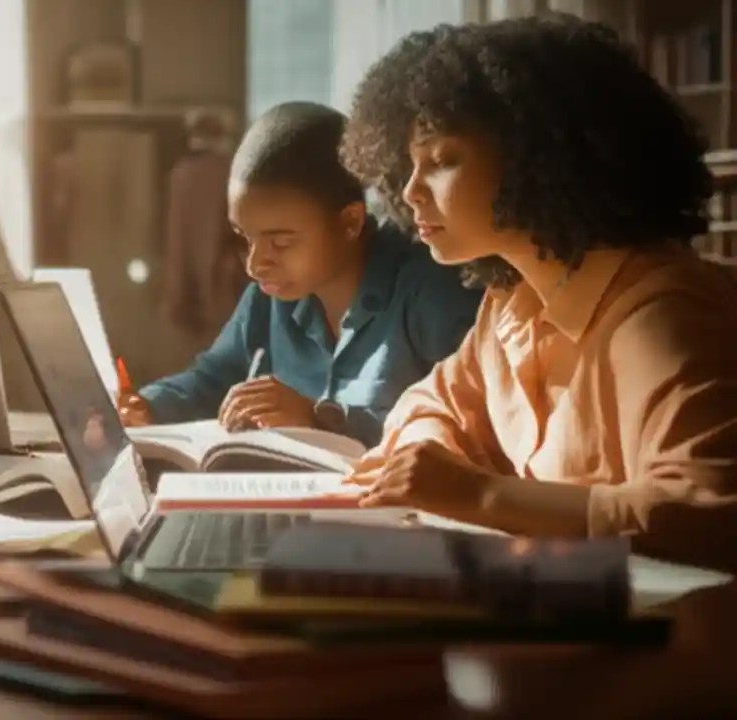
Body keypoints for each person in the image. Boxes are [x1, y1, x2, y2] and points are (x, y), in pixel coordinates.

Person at [340, 15, 737, 571]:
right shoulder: (513, 305)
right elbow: (429, 406)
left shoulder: (661, 314)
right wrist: (427, 461)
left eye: (442, 160)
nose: (409, 191)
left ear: (540, 156)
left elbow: (709, 513)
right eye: (409, 166)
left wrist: (477, 495)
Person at [117, 102, 481, 447]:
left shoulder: (432, 287)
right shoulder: (270, 295)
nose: (256, 263)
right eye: (245, 238)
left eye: (281, 242)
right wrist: (148, 407)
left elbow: (467, 426)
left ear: (350, 222)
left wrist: (323, 421)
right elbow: (211, 380)